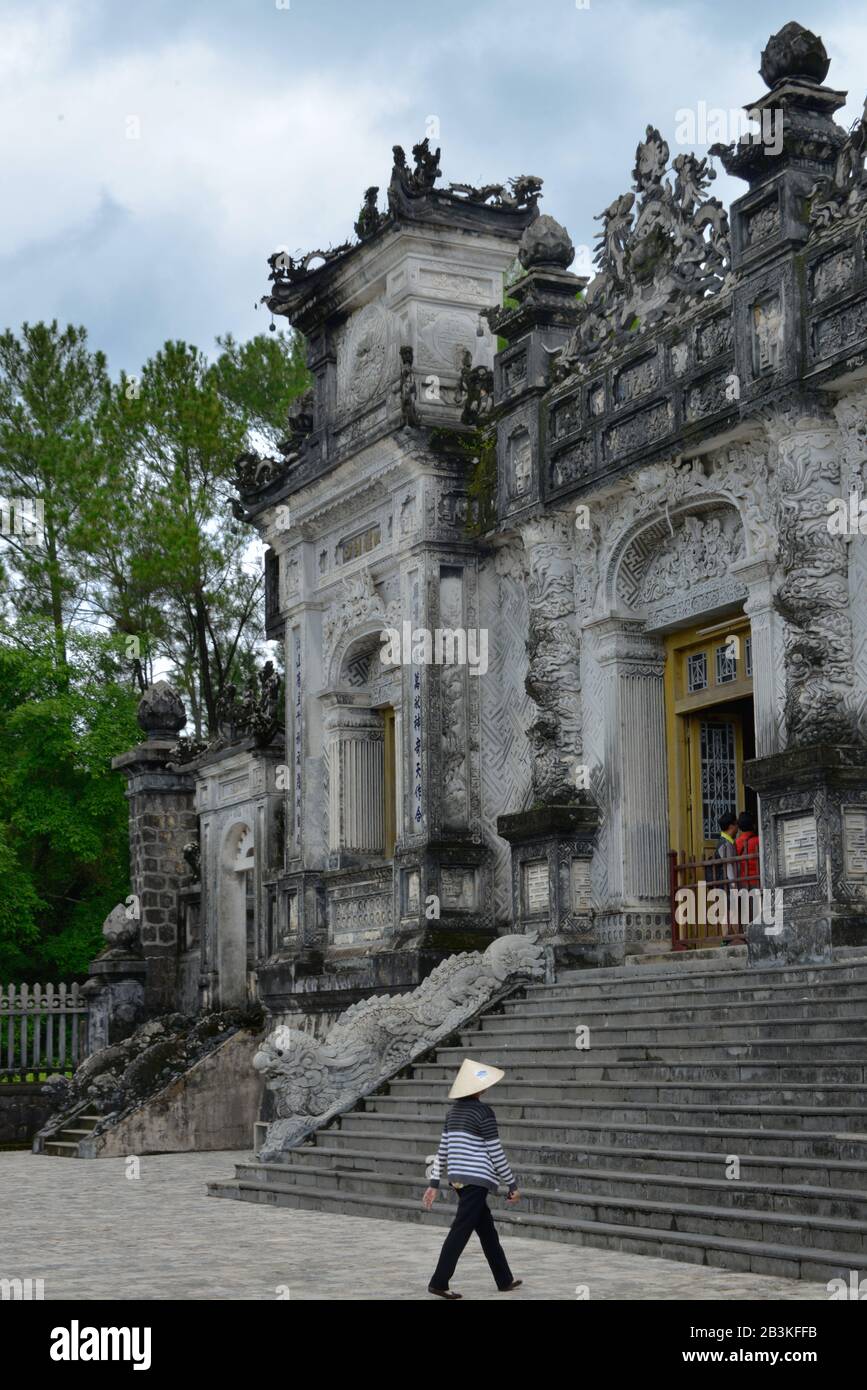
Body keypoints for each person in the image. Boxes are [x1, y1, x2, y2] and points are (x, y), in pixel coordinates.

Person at [422, 1057, 522, 1299]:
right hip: (476, 1180)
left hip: (459, 1180)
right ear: (479, 1089)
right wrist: (512, 1184)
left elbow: (442, 1149)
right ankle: (438, 1282)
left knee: (486, 1230)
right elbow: (495, 1151)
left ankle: (504, 1279)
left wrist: (434, 1183)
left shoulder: (453, 1113)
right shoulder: (484, 1112)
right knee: (461, 1229)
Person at [735, 811, 761, 892]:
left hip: (743, 883)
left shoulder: (736, 843)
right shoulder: (759, 841)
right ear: (754, 825)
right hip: (758, 880)